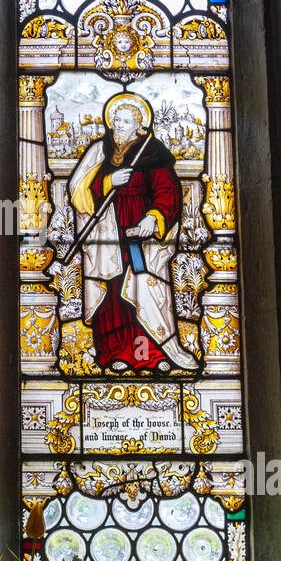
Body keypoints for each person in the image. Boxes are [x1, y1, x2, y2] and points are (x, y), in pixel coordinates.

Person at [67, 92, 197, 373]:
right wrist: (107, 181)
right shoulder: (99, 152)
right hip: (108, 234)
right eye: (116, 120)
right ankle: (115, 352)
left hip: (140, 234)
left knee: (145, 286)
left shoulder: (153, 153)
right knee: (112, 290)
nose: (118, 126)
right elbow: (79, 189)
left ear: (140, 126)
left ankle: (153, 354)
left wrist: (155, 216)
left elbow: (167, 190)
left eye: (125, 121)